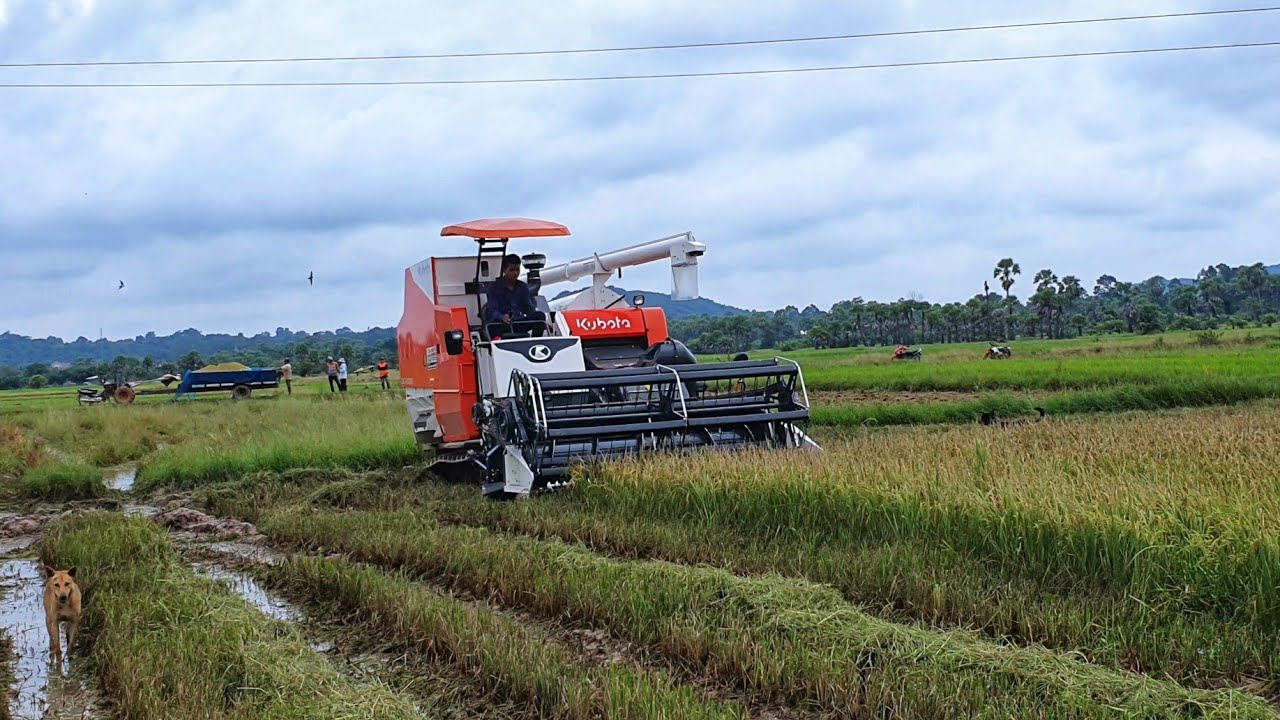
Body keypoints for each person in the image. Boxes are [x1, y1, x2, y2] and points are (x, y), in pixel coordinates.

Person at [484, 254, 545, 339]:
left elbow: (528, 308)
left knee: (540, 316)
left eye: (517, 269)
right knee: (491, 327)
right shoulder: (494, 287)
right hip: (501, 324)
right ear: (505, 270)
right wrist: (502, 317)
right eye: (512, 270)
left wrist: (540, 321)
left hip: (518, 322)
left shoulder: (522, 287)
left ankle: (536, 341)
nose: (515, 273)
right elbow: (492, 310)